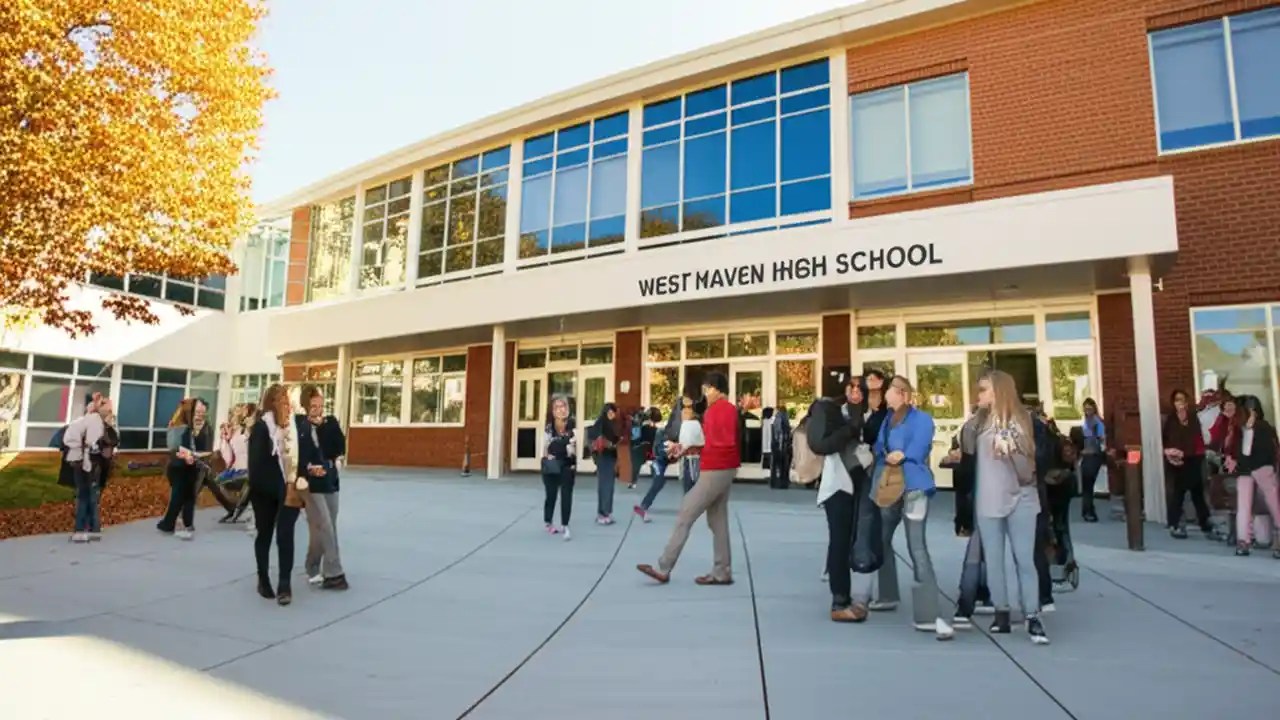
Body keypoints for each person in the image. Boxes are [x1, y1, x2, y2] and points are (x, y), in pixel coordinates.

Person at [637, 372, 738, 586]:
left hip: (714, 468)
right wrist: (687, 449)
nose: (705, 394)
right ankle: (722, 571)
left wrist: (688, 448)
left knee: (686, 513)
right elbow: (717, 441)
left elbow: (717, 442)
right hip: (726, 468)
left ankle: (664, 567)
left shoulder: (716, 411)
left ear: (717, 389)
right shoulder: (729, 410)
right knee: (718, 520)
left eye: (708, 389)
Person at [872, 375, 952, 640]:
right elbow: (878, 447)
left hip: (914, 487)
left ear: (903, 394)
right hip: (890, 487)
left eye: (890, 391)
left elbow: (920, 445)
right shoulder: (887, 419)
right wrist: (884, 453)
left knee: (916, 546)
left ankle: (929, 612)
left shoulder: (922, 419)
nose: (886, 396)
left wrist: (904, 454)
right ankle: (887, 594)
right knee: (880, 539)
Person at [973, 370, 1048, 645]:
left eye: (983, 389)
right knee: (993, 558)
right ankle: (1001, 611)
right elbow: (969, 450)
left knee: (1023, 558)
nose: (978, 394)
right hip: (989, 498)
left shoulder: (1020, 420)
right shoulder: (979, 422)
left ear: (998, 391)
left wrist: (1012, 451)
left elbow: (1028, 470)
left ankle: (1032, 614)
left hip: (1021, 497)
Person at [810, 378, 874, 622]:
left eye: (861, 388)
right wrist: (851, 427)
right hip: (838, 485)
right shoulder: (836, 413)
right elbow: (825, 444)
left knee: (858, 540)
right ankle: (840, 599)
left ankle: (857, 596)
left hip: (863, 485)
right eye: (852, 387)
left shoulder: (871, 415)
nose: (856, 392)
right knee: (840, 541)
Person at [247, 383, 302, 606]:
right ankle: (263, 578)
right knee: (265, 534)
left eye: (289, 402)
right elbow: (256, 468)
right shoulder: (261, 429)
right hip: (265, 494)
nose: (288, 406)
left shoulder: (293, 428)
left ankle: (285, 584)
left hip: (290, 491)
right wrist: (279, 488)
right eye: (284, 401)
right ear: (273, 402)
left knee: (285, 536)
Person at [298, 385, 349, 590]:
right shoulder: (299, 426)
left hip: (330, 479)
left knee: (325, 528)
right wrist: (309, 468)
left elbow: (339, 446)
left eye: (320, 405)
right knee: (324, 525)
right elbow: (297, 455)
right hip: (310, 483)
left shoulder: (331, 423)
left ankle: (312, 565)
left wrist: (322, 428)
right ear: (305, 406)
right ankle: (334, 573)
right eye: (313, 406)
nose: (317, 409)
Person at [1230, 395, 1279, 557]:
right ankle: (1244, 539)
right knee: (1271, 502)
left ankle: (1244, 540)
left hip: (1252, 468)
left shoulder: (1256, 428)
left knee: (1247, 505)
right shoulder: (1257, 428)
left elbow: (1244, 452)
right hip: (1259, 468)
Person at [158, 398, 212, 540]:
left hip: (189, 466)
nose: (200, 415)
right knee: (179, 496)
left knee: (188, 496)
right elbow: (174, 448)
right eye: (197, 412)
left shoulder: (191, 427)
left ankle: (184, 523)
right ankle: (170, 523)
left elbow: (195, 446)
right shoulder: (179, 427)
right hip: (179, 466)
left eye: (202, 412)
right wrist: (187, 455)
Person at [65, 393, 114, 543]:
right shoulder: (98, 422)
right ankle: (91, 528)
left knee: (85, 495)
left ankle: (84, 528)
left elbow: (70, 439)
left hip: (83, 463)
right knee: (91, 496)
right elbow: (99, 445)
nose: (111, 410)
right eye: (108, 406)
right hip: (92, 464)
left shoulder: (88, 421)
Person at [1163, 389, 1212, 539]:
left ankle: (1203, 522)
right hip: (1177, 460)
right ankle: (1176, 522)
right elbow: (1166, 439)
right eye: (1177, 400)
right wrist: (1170, 452)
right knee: (1179, 491)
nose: (1180, 403)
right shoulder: (1171, 420)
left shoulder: (1192, 417)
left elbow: (1197, 438)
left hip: (1193, 457)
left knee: (1195, 491)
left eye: (1182, 400)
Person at [542, 394, 576, 540]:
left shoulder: (572, 427)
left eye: (563, 406)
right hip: (551, 464)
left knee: (567, 495)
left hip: (567, 464)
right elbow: (544, 446)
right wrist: (546, 456)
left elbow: (575, 447)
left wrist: (572, 452)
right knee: (551, 494)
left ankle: (565, 524)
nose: (560, 410)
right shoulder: (549, 428)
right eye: (557, 407)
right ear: (552, 411)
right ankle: (548, 522)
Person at [218, 403, 256, 524]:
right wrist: (225, 440)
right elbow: (228, 458)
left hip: (249, 469)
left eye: (237, 414)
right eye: (233, 414)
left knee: (249, 482)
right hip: (235, 469)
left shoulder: (250, 430)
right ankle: (234, 507)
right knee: (217, 483)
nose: (234, 417)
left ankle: (239, 510)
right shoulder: (233, 432)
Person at [591, 403, 622, 525]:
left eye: (613, 413)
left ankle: (606, 512)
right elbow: (595, 439)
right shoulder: (600, 424)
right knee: (605, 486)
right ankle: (602, 514)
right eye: (609, 413)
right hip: (603, 458)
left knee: (609, 487)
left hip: (611, 457)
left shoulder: (613, 425)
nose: (611, 415)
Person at [1076, 398, 1107, 523]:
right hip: (1087, 455)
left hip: (1093, 455)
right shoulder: (1087, 422)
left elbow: (1101, 439)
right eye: (1085, 409)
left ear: (1094, 409)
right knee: (1087, 485)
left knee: (1088, 483)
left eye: (1089, 409)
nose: (1087, 411)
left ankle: (1088, 511)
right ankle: (1089, 510)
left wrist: (1098, 449)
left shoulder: (1097, 423)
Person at [675, 399, 704, 494]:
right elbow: (702, 441)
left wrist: (679, 452)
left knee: (688, 486)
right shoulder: (697, 424)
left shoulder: (686, 425)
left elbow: (684, 443)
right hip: (697, 458)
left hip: (688, 459)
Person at [769, 406, 793, 489]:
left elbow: (777, 433)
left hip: (777, 445)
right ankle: (782, 482)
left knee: (776, 465)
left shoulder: (776, 418)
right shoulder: (783, 419)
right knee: (783, 465)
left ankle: (775, 482)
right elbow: (781, 433)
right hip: (782, 445)